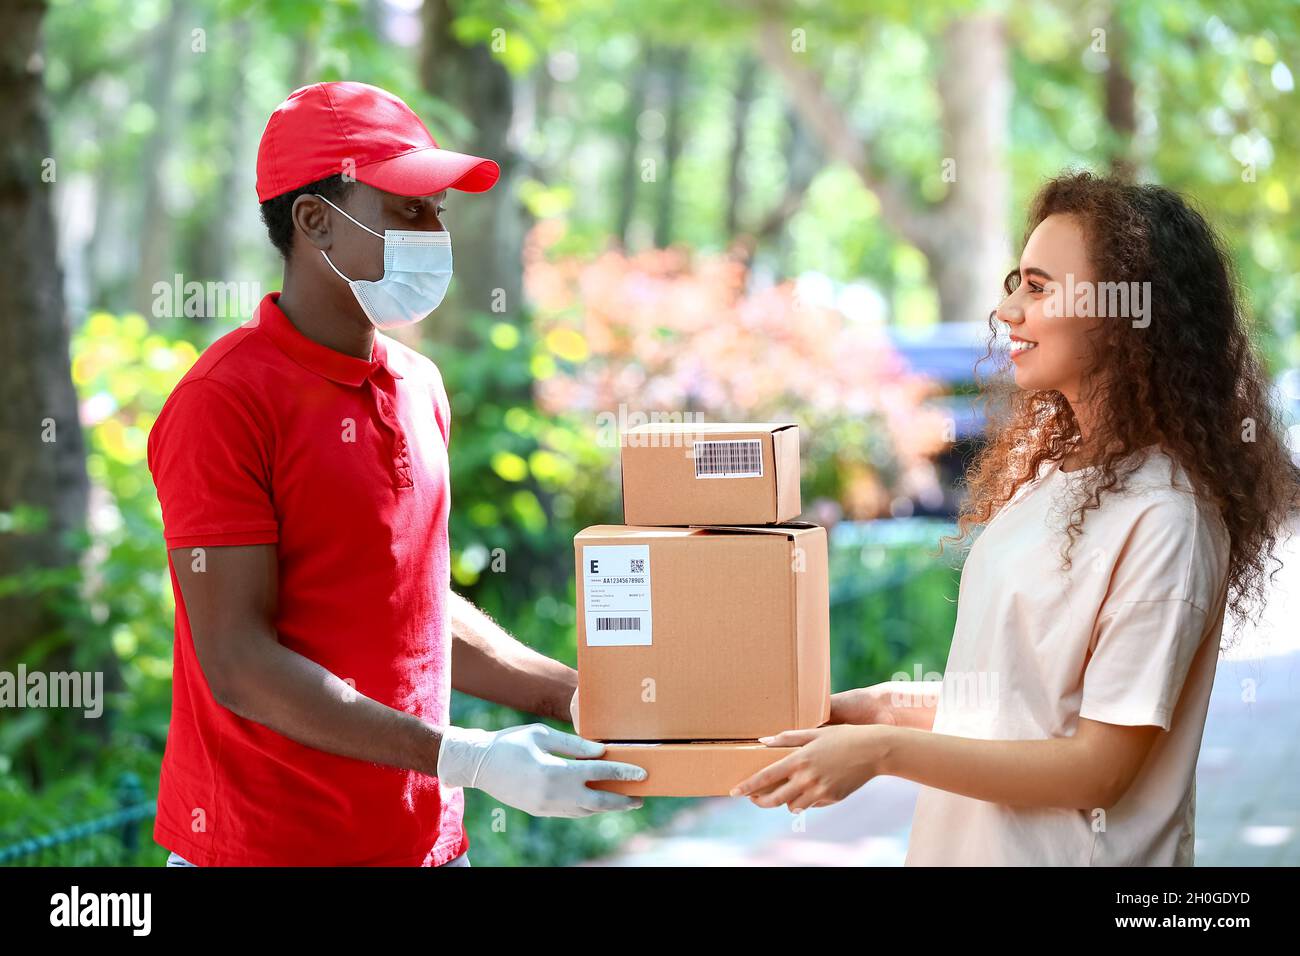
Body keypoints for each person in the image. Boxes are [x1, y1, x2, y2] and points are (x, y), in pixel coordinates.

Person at [732, 170, 1300, 865]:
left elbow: (1098, 770)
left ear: (1125, 313)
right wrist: (878, 708)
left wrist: (883, 751)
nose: (1007, 310)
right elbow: (1021, 712)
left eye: (1039, 286)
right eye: (1015, 281)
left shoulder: (1167, 516)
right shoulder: (1058, 478)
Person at [147, 81, 645, 868]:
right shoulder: (224, 402)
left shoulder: (419, 385)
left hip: (424, 847)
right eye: (409, 209)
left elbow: (406, 600)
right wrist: (470, 758)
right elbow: (240, 663)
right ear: (316, 222)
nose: (435, 232)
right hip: (264, 851)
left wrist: (571, 696)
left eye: (438, 210)